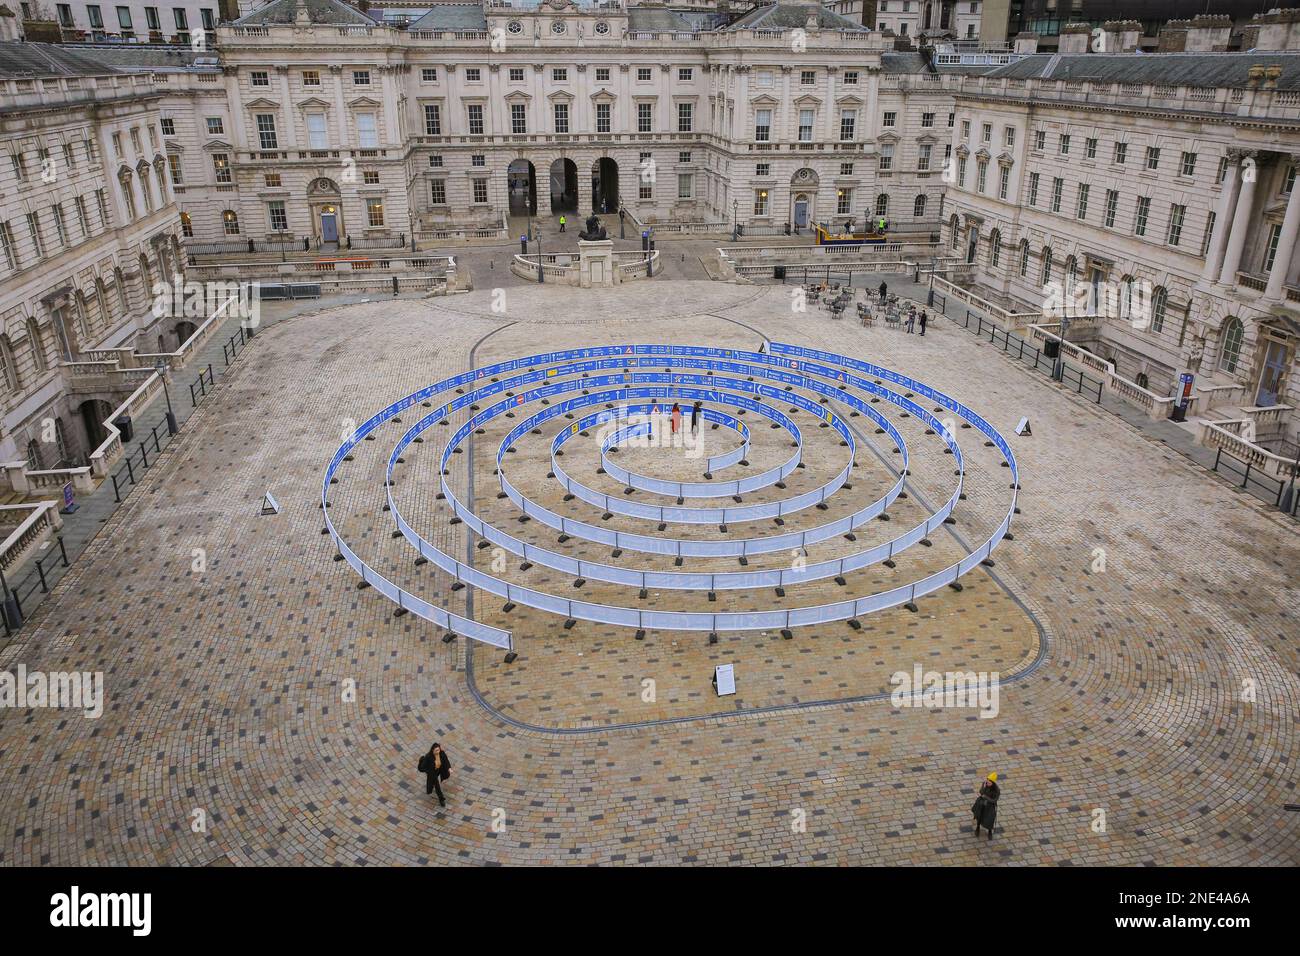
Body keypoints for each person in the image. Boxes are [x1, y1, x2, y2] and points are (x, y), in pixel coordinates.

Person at [418, 742, 452, 807]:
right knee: (437, 786)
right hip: (432, 772)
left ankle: (433, 785)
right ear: (432, 750)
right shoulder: (428, 757)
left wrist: (449, 768)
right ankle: (441, 799)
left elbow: (446, 761)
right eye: (436, 750)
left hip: (439, 770)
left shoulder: (441, 753)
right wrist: (428, 771)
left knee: (435, 782)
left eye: (438, 750)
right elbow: (422, 768)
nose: (438, 751)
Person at [972, 772, 999, 840]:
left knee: (990, 819)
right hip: (981, 804)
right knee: (979, 816)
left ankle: (990, 831)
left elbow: (994, 800)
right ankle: (977, 828)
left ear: (993, 783)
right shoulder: (984, 784)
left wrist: (986, 797)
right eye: (987, 782)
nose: (987, 783)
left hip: (990, 807)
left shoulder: (996, 790)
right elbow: (981, 792)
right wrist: (983, 787)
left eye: (989, 783)